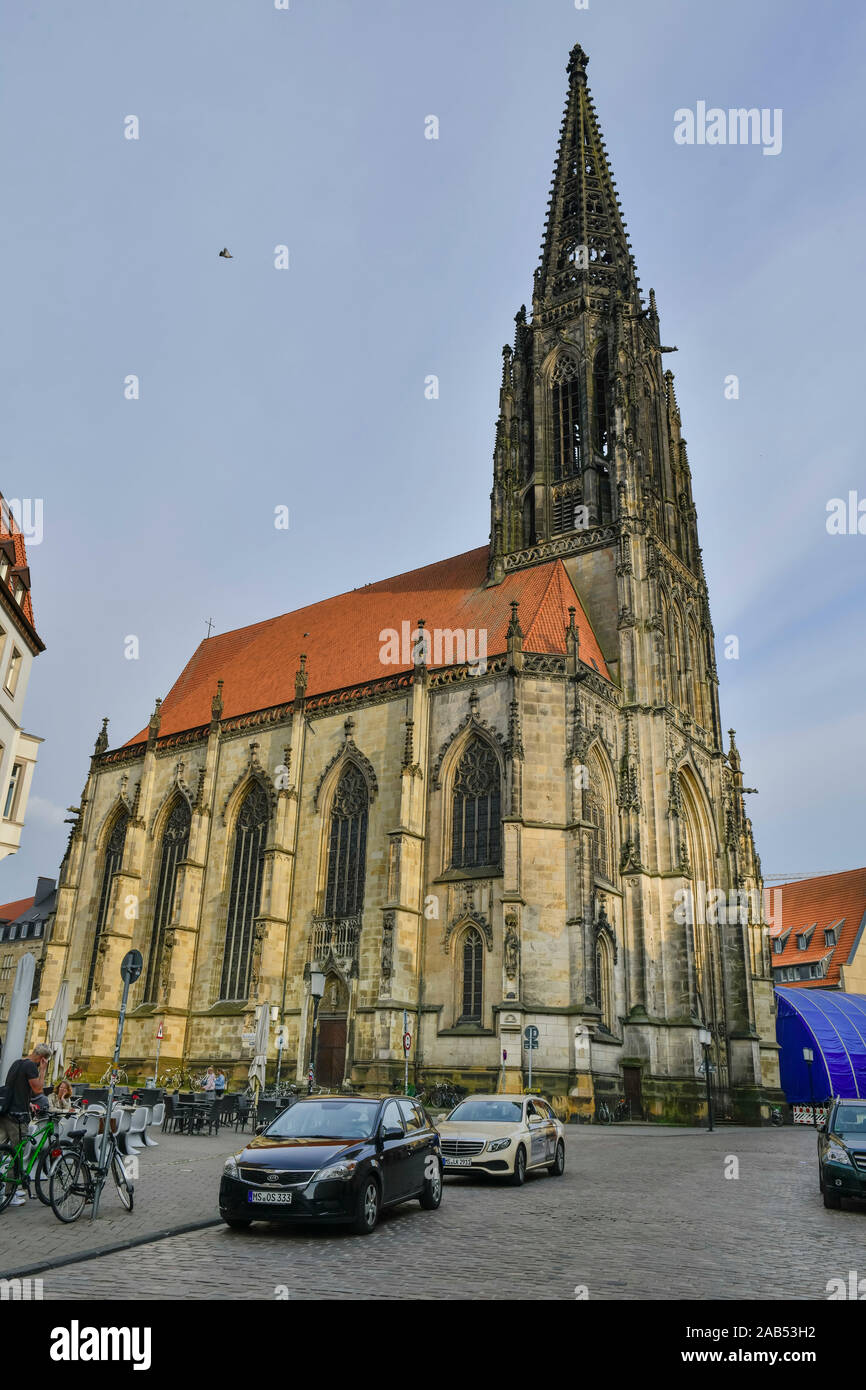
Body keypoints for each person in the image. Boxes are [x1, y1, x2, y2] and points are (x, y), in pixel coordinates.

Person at [1, 1042, 53, 1207]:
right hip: (18, 1117)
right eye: (43, 1061)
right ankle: (10, 1193)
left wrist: (27, 1101)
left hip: (5, 1112)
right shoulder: (31, 1066)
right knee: (17, 1155)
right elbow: (38, 1089)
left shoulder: (18, 1063)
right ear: (42, 1058)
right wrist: (43, 1070)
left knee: (1, 1149)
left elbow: (17, 1088)